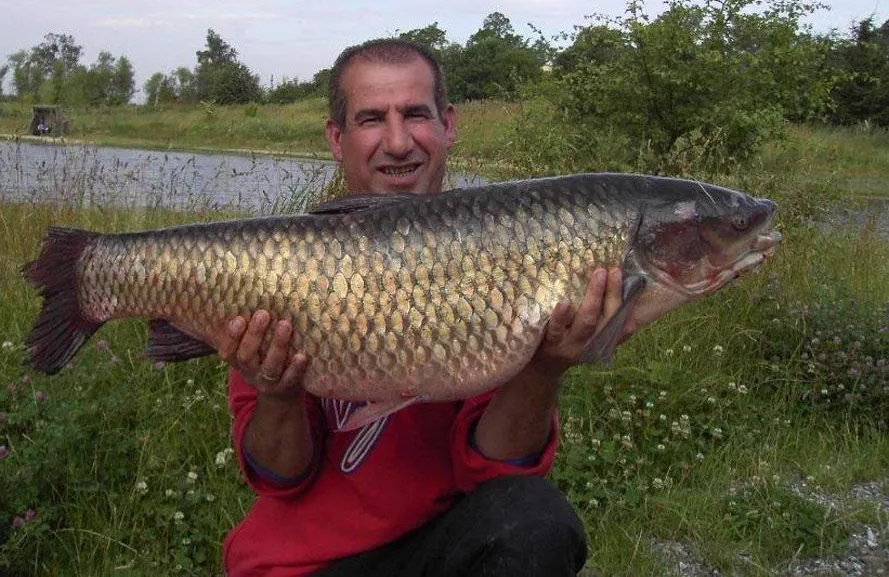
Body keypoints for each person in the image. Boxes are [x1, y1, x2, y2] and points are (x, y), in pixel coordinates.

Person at [211, 38, 639, 576]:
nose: (397, 142)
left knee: (536, 520)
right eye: (372, 119)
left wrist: (543, 368)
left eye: (415, 114)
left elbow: (497, 472)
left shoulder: (501, 255)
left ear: (448, 125)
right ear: (337, 138)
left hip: (436, 551)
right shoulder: (285, 267)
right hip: (302, 566)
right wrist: (277, 396)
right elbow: (281, 476)